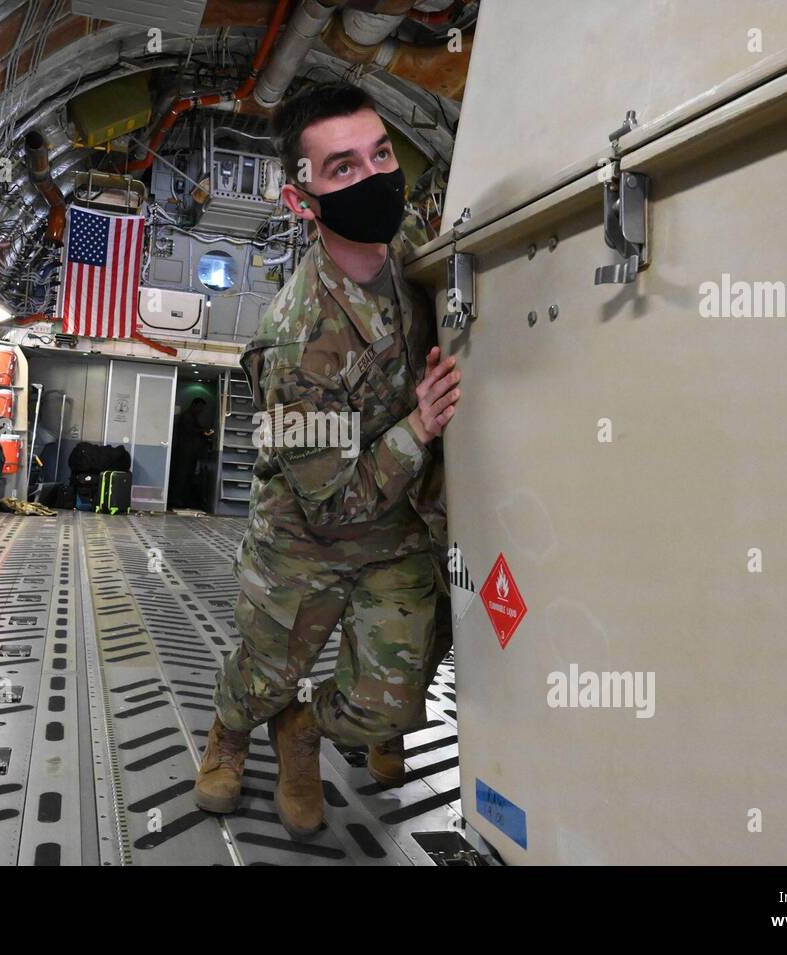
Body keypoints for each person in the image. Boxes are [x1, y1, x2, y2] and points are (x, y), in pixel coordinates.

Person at [192, 81, 458, 837]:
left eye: (381, 154)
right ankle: (233, 731)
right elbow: (331, 501)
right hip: (307, 536)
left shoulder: (414, 253)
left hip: (396, 526)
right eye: (342, 168)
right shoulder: (296, 337)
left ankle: (302, 727)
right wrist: (420, 425)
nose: (375, 177)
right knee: (261, 674)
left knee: (393, 703)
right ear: (300, 199)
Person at [169, 396, 213, 509]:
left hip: (190, 453)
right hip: (184, 453)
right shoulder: (187, 416)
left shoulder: (192, 417)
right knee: (181, 477)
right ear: (194, 405)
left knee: (187, 477)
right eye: (200, 407)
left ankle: (180, 499)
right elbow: (189, 431)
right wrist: (203, 431)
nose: (201, 411)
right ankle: (176, 500)